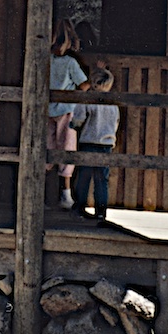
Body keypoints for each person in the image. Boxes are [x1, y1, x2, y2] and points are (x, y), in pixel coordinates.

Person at [48, 20, 90, 209]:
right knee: (67, 149)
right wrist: (96, 76)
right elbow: (83, 86)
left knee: (47, 150)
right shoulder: (71, 63)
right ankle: (65, 194)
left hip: (46, 111)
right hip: (66, 112)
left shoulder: (45, 60)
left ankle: (43, 194)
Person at [71, 67, 119, 220]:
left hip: (88, 141)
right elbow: (116, 123)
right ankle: (101, 212)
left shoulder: (88, 101)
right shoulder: (113, 106)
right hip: (106, 144)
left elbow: (78, 119)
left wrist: (73, 125)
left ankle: (80, 208)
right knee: (101, 179)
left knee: (84, 176)